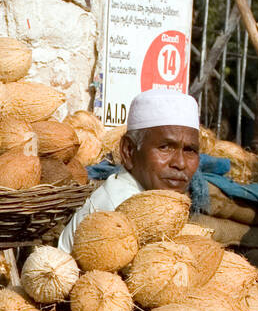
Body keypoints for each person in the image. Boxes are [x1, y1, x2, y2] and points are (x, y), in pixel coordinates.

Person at [57, 88, 200, 252]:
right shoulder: (120, 209)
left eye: (190, 150)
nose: (180, 163)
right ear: (129, 151)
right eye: (165, 147)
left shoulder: (153, 205)